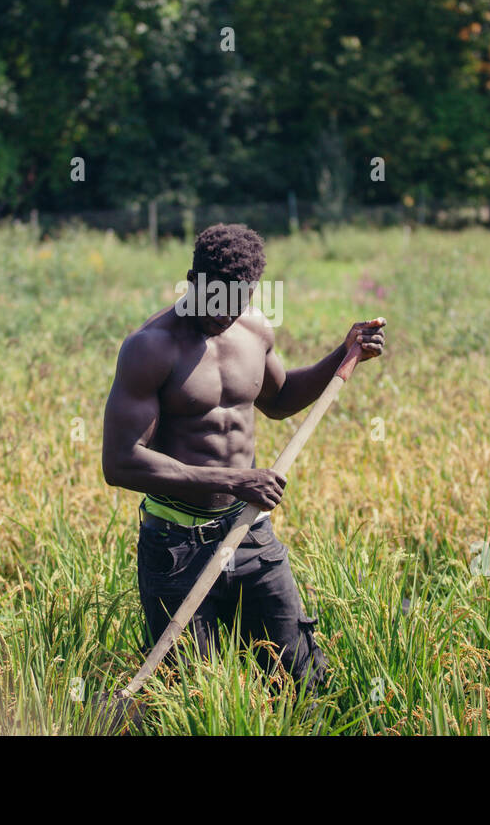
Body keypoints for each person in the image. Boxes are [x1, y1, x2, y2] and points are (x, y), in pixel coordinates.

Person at [101, 222, 386, 694]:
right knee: (196, 694)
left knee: (301, 677)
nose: (226, 316)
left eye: (238, 302)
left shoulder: (253, 329)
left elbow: (279, 399)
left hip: (248, 532)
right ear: (193, 281)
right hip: (176, 546)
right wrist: (234, 480)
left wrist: (344, 352)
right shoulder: (150, 347)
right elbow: (121, 462)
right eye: (217, 302)